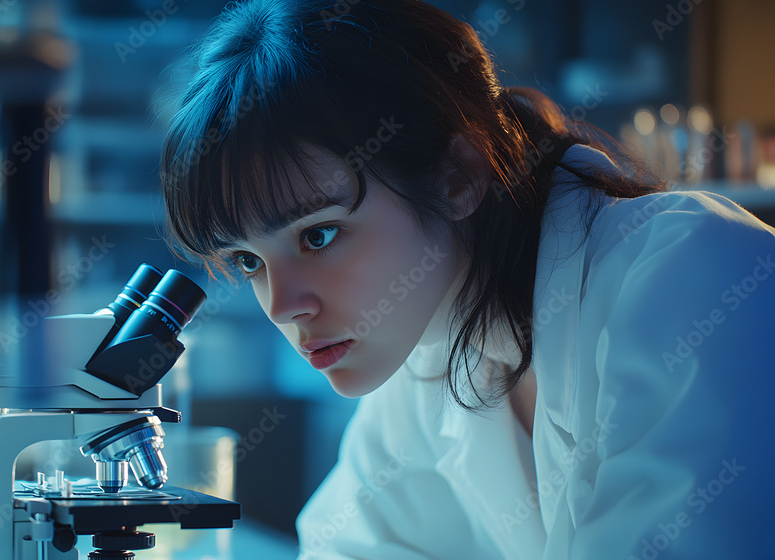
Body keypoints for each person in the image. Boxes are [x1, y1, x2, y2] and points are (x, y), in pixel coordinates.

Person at [157, 0, 775, 558]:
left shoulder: (698, 273)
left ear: (458, 176)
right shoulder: (434, 347)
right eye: (248, 261)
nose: (282, 306)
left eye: (317, 235)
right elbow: (345, 549)